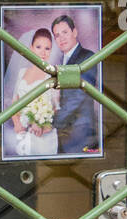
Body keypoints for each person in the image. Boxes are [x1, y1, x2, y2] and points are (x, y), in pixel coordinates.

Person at [51, 13, 99, 154]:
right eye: (57, 35)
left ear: (75, 32)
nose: (61, 38)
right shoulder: (62, 58)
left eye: (65, 32)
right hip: (66, 131)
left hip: (81, 131)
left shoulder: (87, 56)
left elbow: (77, 96)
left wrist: (53, 123)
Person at [8, 28, 61, 158]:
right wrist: (17, 123)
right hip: (20, 131)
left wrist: (39, 123)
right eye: (38, 47)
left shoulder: (53, 75)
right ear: (31, 48)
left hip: (41, 133)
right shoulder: (22, 72)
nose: (43, 52)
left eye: (47, 48)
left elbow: (55, 107)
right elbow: (15, 101)